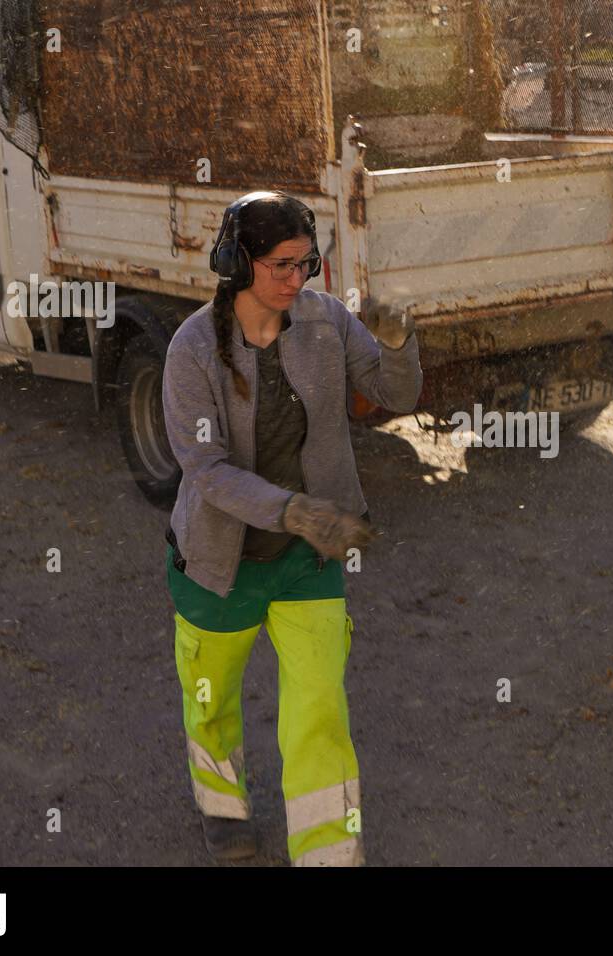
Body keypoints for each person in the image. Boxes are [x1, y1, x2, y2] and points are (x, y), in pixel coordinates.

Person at [161, 190, 422, 865]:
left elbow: (396, 394)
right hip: (220, 566)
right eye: (280, 265)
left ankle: (328, 853)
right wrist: (295, 511)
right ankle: (223, 810)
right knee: (212, 702)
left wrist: (398, 345)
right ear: (236, 261)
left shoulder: (326, 320)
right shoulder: (192, 349)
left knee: (319, 711)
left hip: (307, 561)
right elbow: (207, 469)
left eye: (306, 264)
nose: (294, 280)